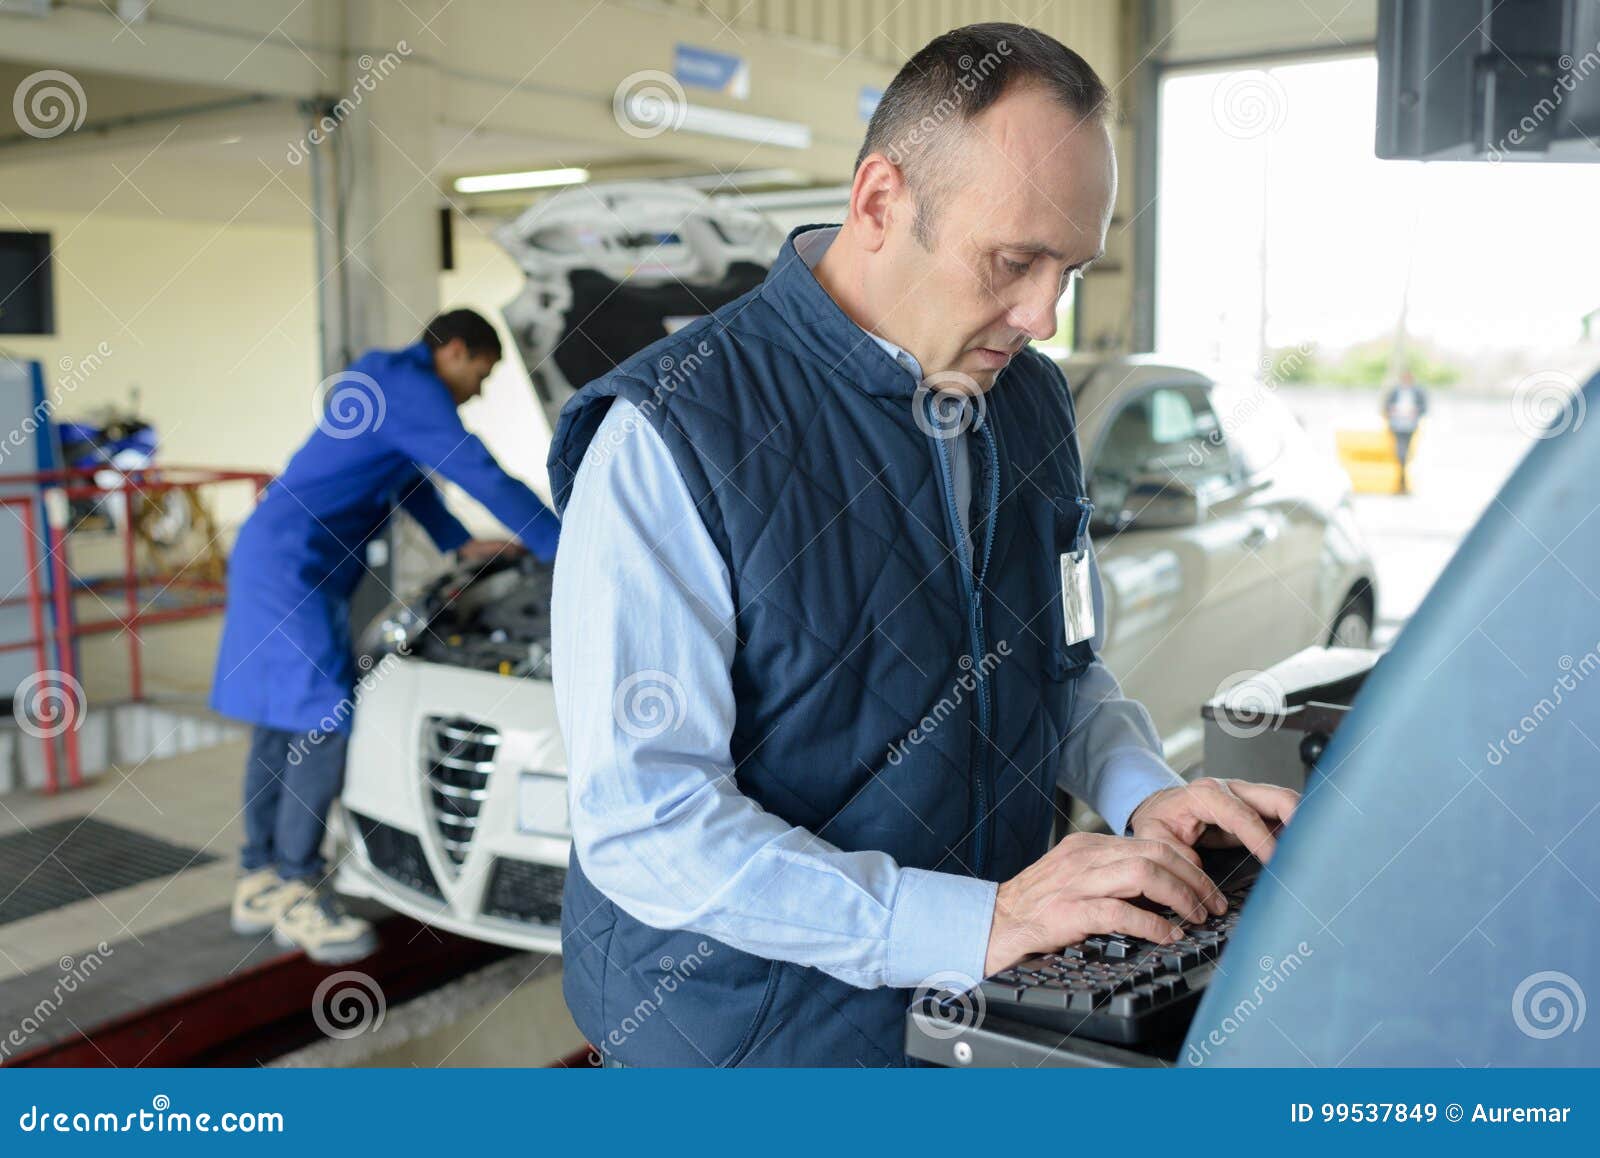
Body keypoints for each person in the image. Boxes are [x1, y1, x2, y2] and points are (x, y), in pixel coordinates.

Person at [547, 23, 1299, 1066]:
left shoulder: (1026, 401)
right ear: (878, 203)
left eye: (1069, 269)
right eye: (1013, 260)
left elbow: (1061, 666)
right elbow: (649, 822)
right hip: (740, 1046)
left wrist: (1142, 791)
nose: (1041, 312)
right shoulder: (672, 432)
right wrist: (976, 924)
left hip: (968, 1016)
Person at [212, 309, 559, 963]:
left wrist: (458, 543)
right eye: (480, 375)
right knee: (322, 720)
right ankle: (295, 888)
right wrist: (564, 547)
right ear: (454, 351)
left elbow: (409, 479)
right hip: (293, 572)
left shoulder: (386, 382)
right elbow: (480, 471)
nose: (478, 391)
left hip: (273, 556)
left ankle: (257, 878)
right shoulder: (411, 390)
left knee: (279, 724)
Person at [1383, 370, 1428, 493]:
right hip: (1397, 425)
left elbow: (1424, 408)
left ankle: (1403, 483)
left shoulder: (1418, 392)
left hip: (1410, 426)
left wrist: (1415, 411)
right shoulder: (1395, 392)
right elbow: (1385, 406)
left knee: (1406, 455)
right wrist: (1391, 410)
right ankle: (1401, 483)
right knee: (1400, 454)